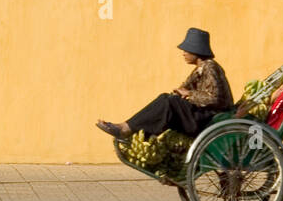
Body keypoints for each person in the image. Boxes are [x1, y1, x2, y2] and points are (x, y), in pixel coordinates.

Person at [96, 27, 234, 141]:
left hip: (209, 118)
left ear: (196, 51)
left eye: (186, 50)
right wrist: (181, 91)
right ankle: (132, 130)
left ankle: (125, 129)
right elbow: (187, 87)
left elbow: (214, 98)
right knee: (165, 98)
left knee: (168, 103)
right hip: (201, 115)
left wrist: (189, 94)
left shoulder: (209, 67)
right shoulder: (200, 69)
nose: (183, 53)